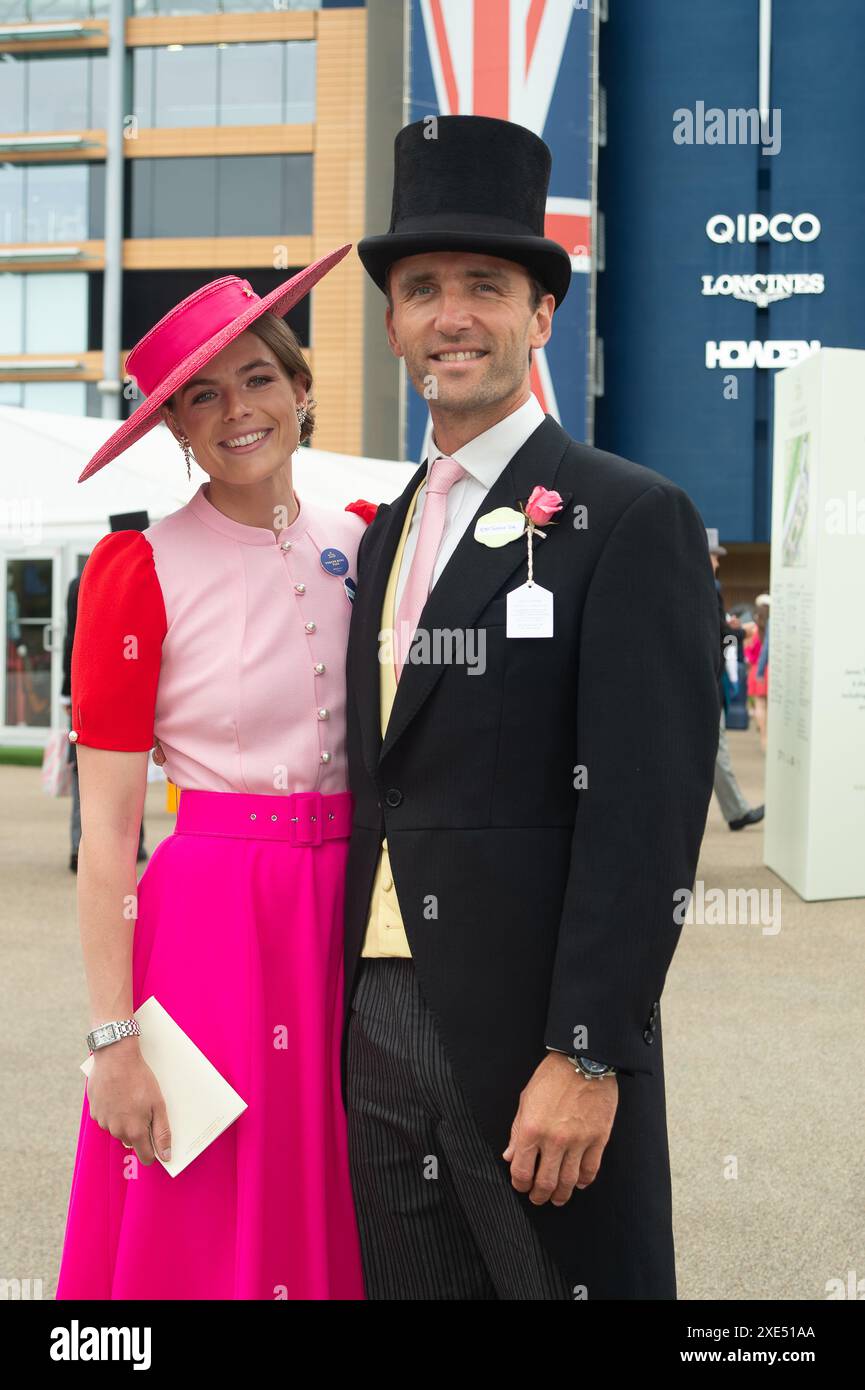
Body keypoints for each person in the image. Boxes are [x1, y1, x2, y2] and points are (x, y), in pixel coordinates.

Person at [340, 115, 720, 1300]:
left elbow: (647, 814)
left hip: (531, 1033)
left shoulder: (627, 515)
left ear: (540, 314)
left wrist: (587, 1052)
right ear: (395, 322)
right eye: (423, 290)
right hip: (374, 1017)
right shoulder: (390, 530)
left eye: (484, 287)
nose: (451, 315)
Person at [55, 248, 366, 1300]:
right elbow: (107, 840)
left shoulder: (369, 544)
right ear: (176, 429)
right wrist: (114, 1042)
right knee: (201, 1188)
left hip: (355, 916)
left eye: (259, 377)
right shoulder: (136, 572)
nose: (238, 409)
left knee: (355, 1176)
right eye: (202, 396)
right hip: (211, 927)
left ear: (304, 387)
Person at [61, 513, 150, 874]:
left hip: (95, 683)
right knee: (118, 773)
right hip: (119, 683)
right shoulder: (138, 573)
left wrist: (69, 691)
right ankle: (127, 844)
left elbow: (73, 640)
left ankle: (80, 846)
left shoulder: (80, 579)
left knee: (92, 774)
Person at [707, 532, 765, 830]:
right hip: (709, 680)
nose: (718, 561)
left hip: (701, 678)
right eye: (715, 556)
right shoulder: (711, 585)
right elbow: (718, 634)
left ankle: (736, 811)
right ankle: (737, 812)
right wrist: (742, 634)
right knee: (717, 749)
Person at [744, 593, 770, 751]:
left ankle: (764, 737)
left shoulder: (753, 630)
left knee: (760, 705)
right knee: (770, 706)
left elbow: (747, 652)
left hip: (757, 670)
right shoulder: (774, 627)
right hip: (772, 668)